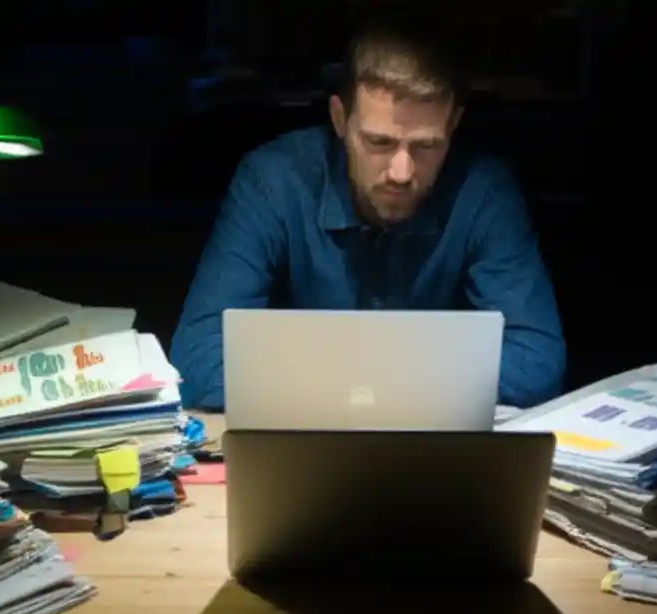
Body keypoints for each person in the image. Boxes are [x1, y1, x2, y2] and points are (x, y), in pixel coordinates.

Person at [169, 10, 566, 411]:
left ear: (454, 124)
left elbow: (538, 362)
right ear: (340, 119)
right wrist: (412, 385)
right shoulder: (272, 181)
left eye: (427, 146)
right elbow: (198, 364)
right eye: (379, 142)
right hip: (308, 443)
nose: (401, 171)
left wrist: (336, 386)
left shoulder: (484, 190)